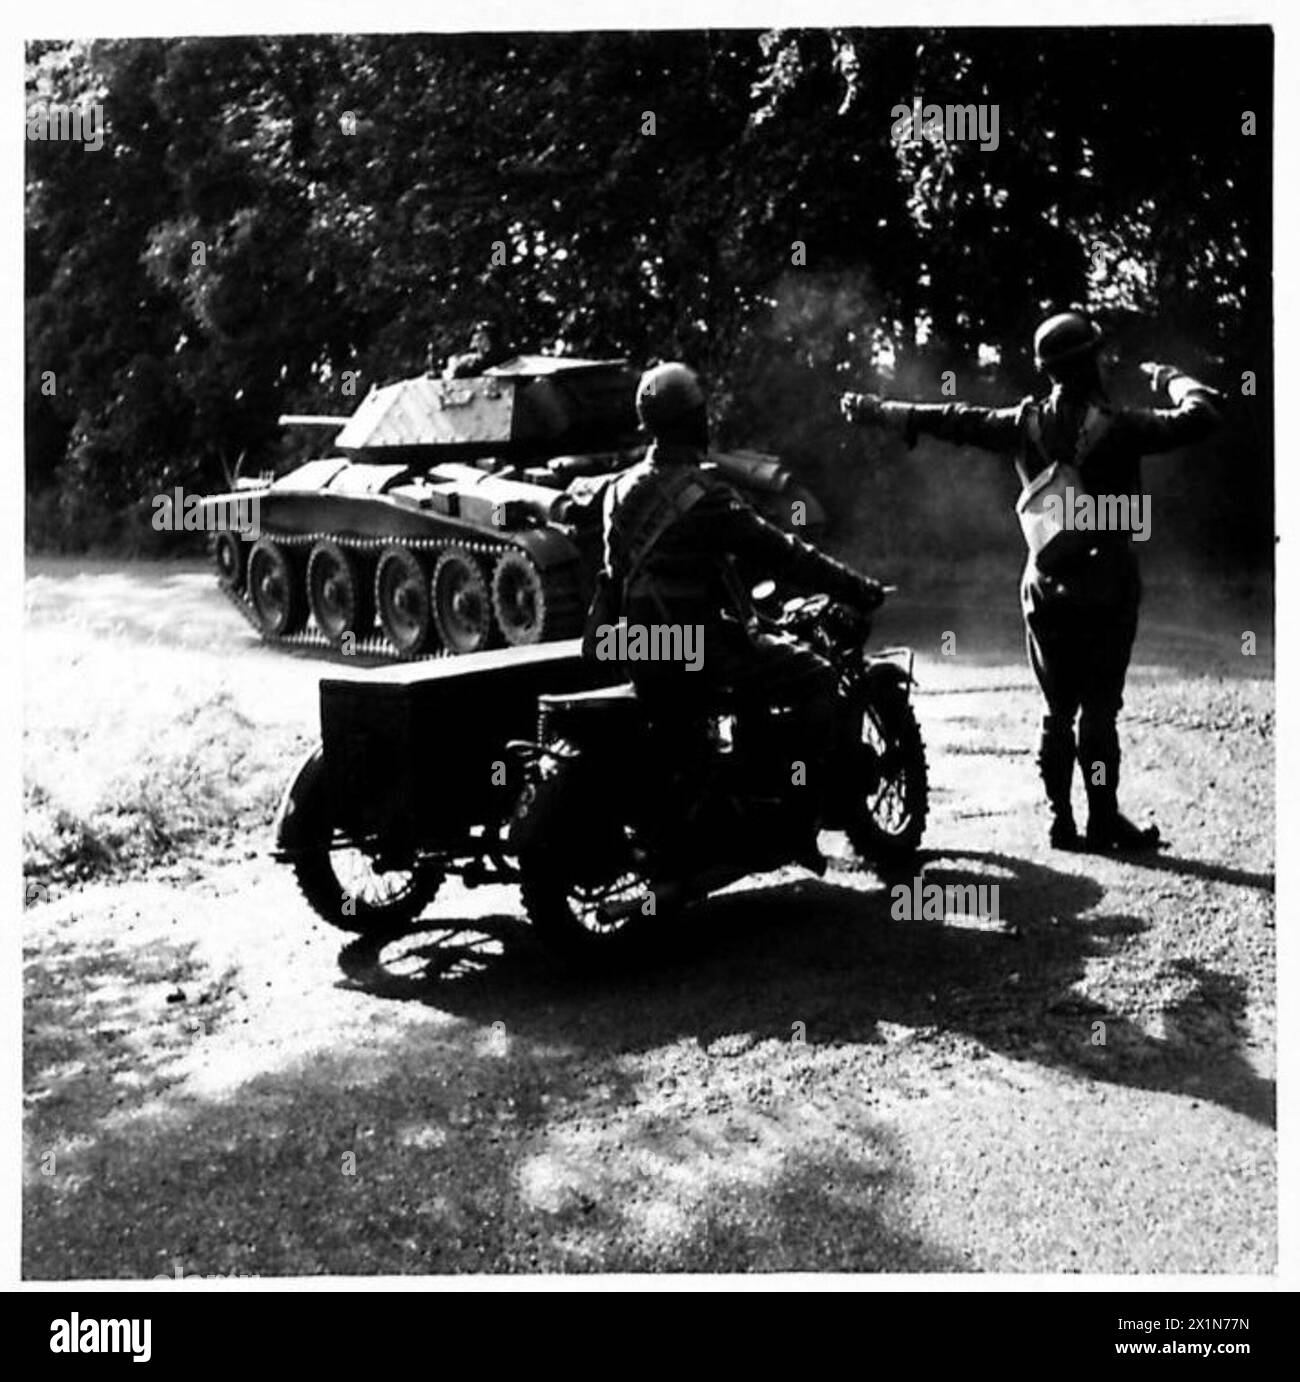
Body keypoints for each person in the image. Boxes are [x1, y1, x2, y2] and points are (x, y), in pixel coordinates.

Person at [841, 310, 1223, 851]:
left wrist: (880, 410)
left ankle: (1060, 820)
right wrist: (1171, 377)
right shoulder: (1125, 426)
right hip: (1106, 581)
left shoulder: (1021, 424)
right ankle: (1103, 817)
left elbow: (953, 417)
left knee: (1056, 710)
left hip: (1044, 582)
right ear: (1091, 363)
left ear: (1046, 369)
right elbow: (1203, 415)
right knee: (1099, 709)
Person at [592, 361, 885, 874]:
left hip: (633, 647)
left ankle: (745, 786)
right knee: (815, 676)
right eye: (703, 413)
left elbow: (615, 572)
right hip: (692, 646)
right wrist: (856, 586)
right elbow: (786, 553)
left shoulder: (617, 489)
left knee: (748, 666)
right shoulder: (705, 498)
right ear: (693, 421)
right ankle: (800, 808)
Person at [443, 320, 511, 378]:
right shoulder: (470, 358)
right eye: (475, 340)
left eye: (481, 339)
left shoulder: (502, 357)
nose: (477, 343)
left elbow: (482, 366)